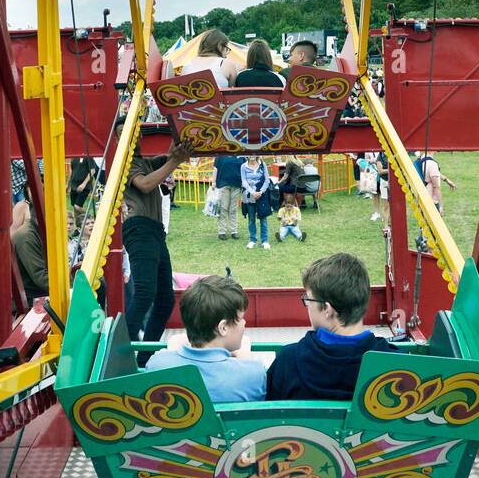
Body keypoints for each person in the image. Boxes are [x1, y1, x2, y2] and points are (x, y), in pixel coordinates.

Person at [266, 253, 394, 401]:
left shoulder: (287, 361)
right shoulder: (395, 364)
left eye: (308, 299)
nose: (307, 306)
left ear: (327, 309)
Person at [122, 131, 191, 361]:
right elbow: (144, 184)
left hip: (153, 231)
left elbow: (173, 154)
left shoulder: (146, 162)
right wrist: (174, 161)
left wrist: (179, 130)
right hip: (139, 228)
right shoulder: (125, 162)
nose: (134, 138)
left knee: (165, 300)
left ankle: (143, 357)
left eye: (135, 134)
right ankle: (124, 355)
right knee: (144, 293)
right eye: (124, 133)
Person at [144, 276, 266, 403]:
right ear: (223, 327)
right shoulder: (253, 372)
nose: (244, 323)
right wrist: (245, 359)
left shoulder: (156, 365)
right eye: (241, 318)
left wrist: (171, 352)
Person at [11, 198, 49, 303]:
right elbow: (40, 276)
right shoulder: (27, 237)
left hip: (42, 291)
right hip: (30, 298)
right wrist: (70, 289)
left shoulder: (42, 230)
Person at [241, 154, 271, 249]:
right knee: (251, 218)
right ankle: (252, 240)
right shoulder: (243, 166)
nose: (252, 155)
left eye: (254, 153)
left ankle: (265, 241)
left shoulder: (263, 165)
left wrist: (260, 192)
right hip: (249, 195)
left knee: (263, 218)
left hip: (262, 195)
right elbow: (244, 182)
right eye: (250, 153)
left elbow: (267, 180)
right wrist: (253, 192)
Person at [412, 150, 456, 216]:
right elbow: (436, 186)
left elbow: (433, 173)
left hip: (423, 197)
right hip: (432, 202)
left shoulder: (423, 157)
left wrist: (446, 180)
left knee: (424, 223)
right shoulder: (432, 164)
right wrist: (441, 207)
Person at [212, 152, 244, 241]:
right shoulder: (220, 155)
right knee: (223, 208)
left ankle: (234, 231)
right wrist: (213, 182)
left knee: (233, 209)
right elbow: (215, 169)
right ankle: (222, 232)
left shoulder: (241, 155)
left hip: (237, 185)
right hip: (223, 185)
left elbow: (244, 169)